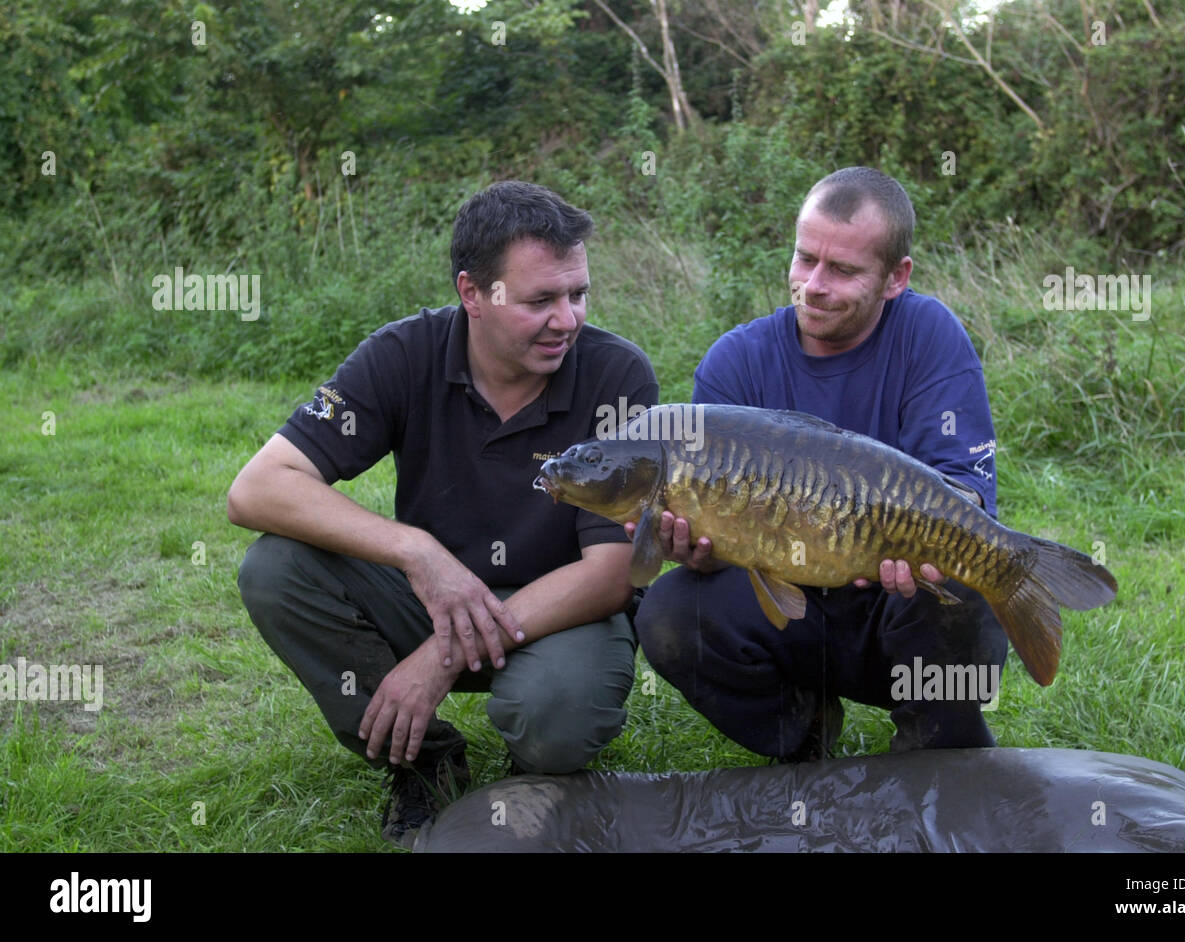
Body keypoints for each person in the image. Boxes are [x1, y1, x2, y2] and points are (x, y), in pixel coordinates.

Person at [228, 181, 658, 848]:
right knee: (274, 567)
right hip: (431, 594)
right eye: (541, 299)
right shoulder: (402, 355)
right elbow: (256, 490)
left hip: (557, 611)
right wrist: (416, 553)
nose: (568, 319)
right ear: (472, 294)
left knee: (556, 721)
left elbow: (610, 573)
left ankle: (533, 769)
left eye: (578, 294)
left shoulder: (617, 375)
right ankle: (424, 759)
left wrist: (441, 656)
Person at [631, 167, 1007, 760]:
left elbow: (967, 491)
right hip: (788, 609)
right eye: (805, 259)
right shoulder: (736, 362)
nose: (813, 285)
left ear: (895, 278)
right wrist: (692, 549)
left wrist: (929, 546)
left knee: (965, 572)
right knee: (671, 613)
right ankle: (803, 737)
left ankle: (939, 747)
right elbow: (707, 528)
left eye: (843, 270)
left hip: (897, 603)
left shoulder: (929, 335)